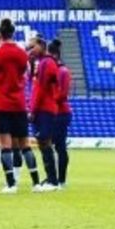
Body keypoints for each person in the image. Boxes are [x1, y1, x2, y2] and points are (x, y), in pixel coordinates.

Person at [0, 18, 40, 194]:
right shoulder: (22, 54)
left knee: (5, 145)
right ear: (13, 33)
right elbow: (27, 73)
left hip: (0, 102)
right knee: (25, 144)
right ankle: (36, 183)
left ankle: (11, 184)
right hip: (18, 103)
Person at [28, 34, 60, 192]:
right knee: (43, 143)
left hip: (44, 109)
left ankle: (53, 181)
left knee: (44, 142)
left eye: (32, 47)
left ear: (41, 45)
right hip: (44, 108)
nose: (30, 50)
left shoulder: (47, 63)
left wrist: (33, 110)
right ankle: (51, 178)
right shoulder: (42, 63)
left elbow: (41, 89)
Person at [49, 37, 72, 188]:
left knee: (59, 146)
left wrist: (48, 101)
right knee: (53, 146)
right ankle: (55, 179)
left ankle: (60, 180)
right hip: (53, 112)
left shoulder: (62, 71)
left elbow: (62, 94)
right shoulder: (57, 70)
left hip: (60, 112)